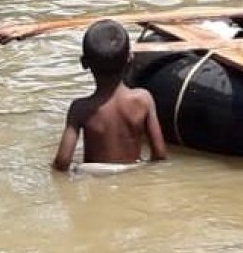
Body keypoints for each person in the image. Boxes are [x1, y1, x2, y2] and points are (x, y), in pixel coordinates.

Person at [52, 19, 168, 172]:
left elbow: (62, 162)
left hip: (95, 184)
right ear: (130, 58)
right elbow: (159, 155)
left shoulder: (80, 109)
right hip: (133, 180)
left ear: (84, 63)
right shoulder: (144, 100)